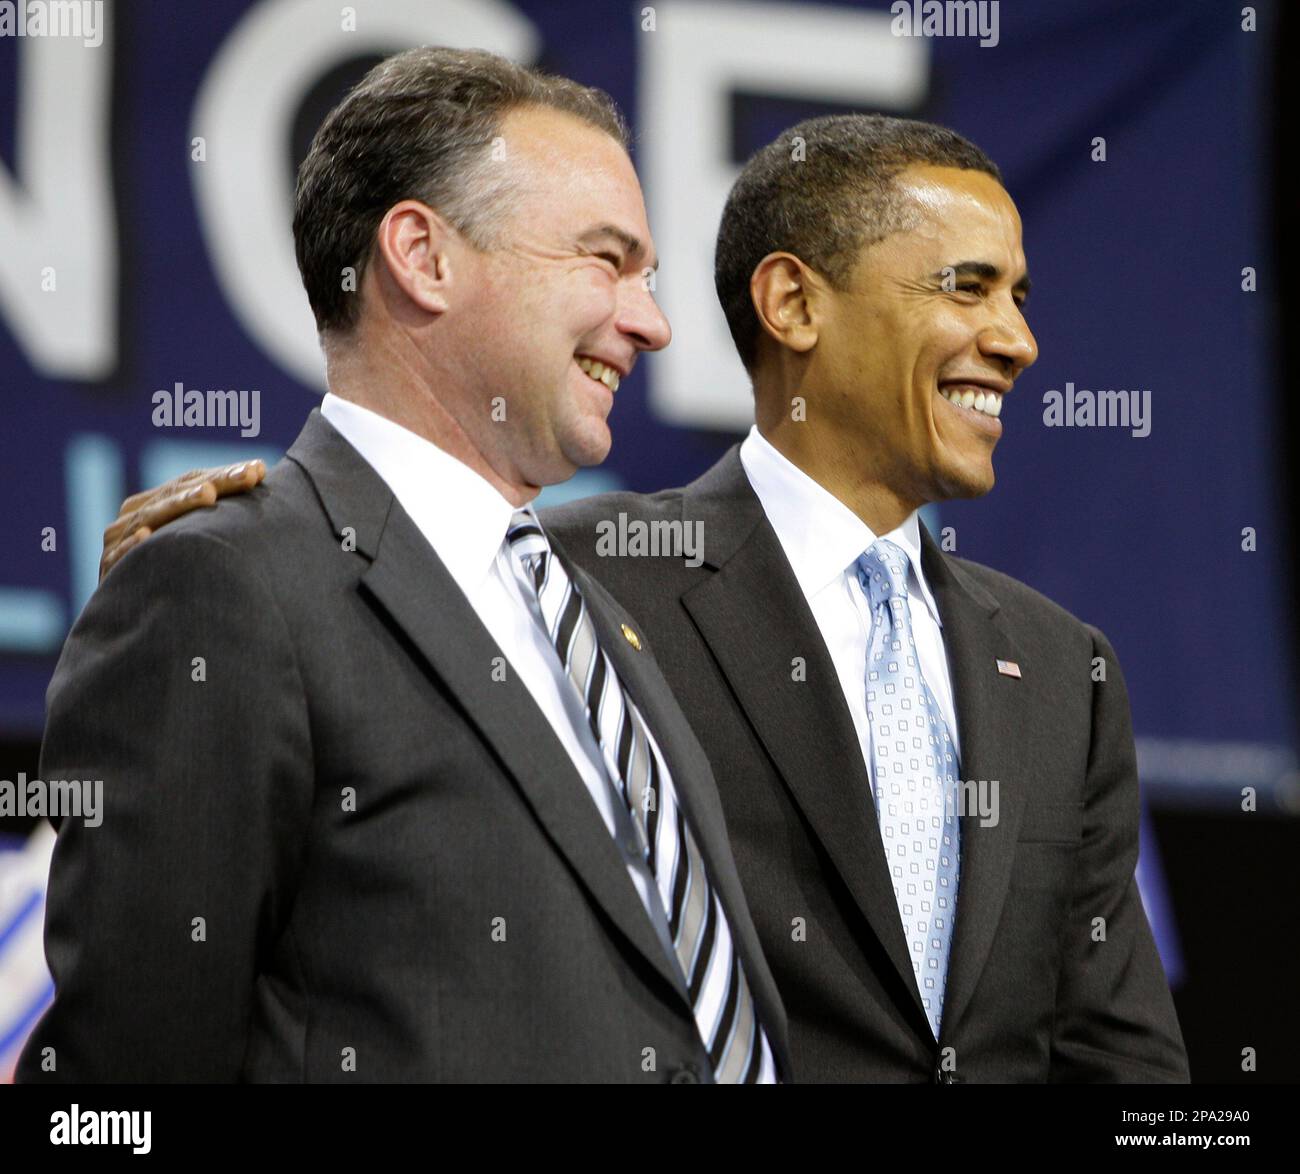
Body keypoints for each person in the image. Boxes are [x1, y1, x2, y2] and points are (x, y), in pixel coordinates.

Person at [99, 114, 1190, 1082]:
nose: (1017, 338)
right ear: (793, 302)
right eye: (966, 286)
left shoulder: (1060, 667)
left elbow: (1118, 1053)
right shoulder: (562, 582)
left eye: (1018, 295)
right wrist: (255, 528)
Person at [18, 47, 788, 1084]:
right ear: (423, 257)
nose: (649, 321)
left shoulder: (599, 621)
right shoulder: (221, 587)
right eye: (605, 261)